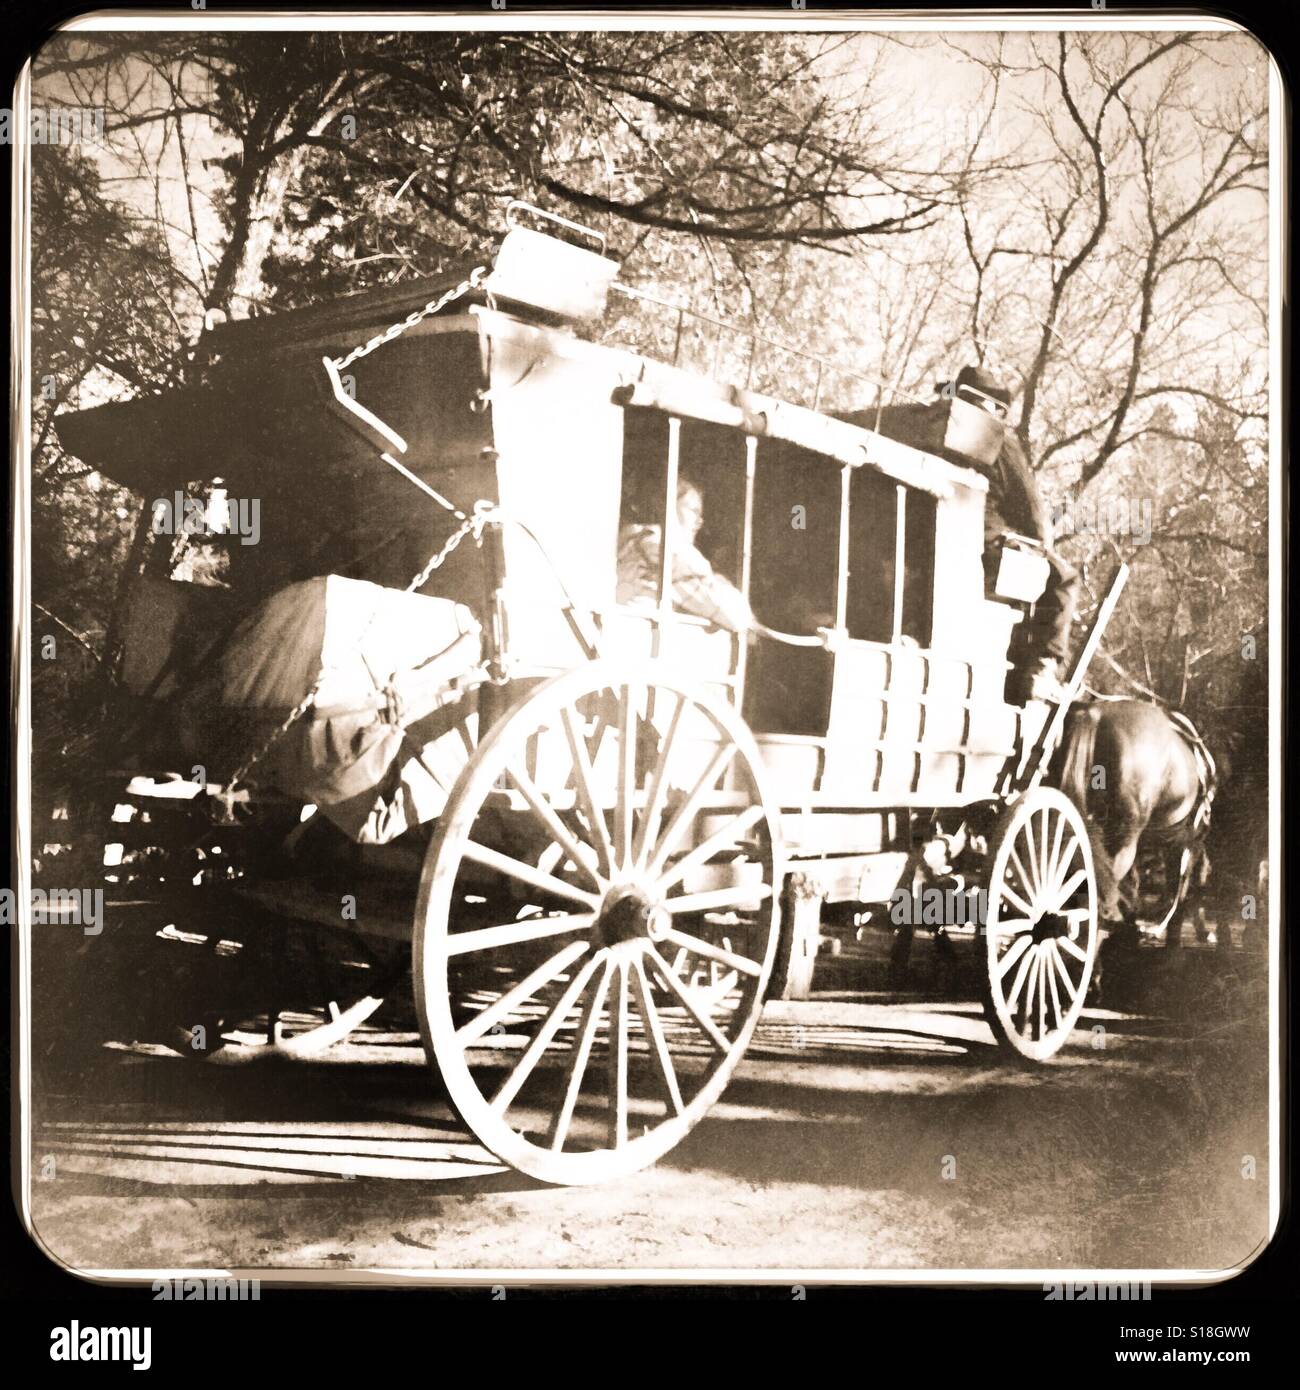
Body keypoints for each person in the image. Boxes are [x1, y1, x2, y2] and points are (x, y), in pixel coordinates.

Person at [942, 364, 1079, 704]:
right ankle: (1042, 670)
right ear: (990, 407)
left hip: (930, 547)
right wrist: (1039, 547)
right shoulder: (996, 439)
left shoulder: (933, 430)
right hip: (984, 555)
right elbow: (1036, 518)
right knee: (1063, 578)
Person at [616, 477, 754, 633]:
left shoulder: (634, 540)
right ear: (666, 506)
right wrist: (721, 583)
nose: (700, 521)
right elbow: (734, 617)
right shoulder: (664, 548)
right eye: (694, 510)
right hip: (636, 638)